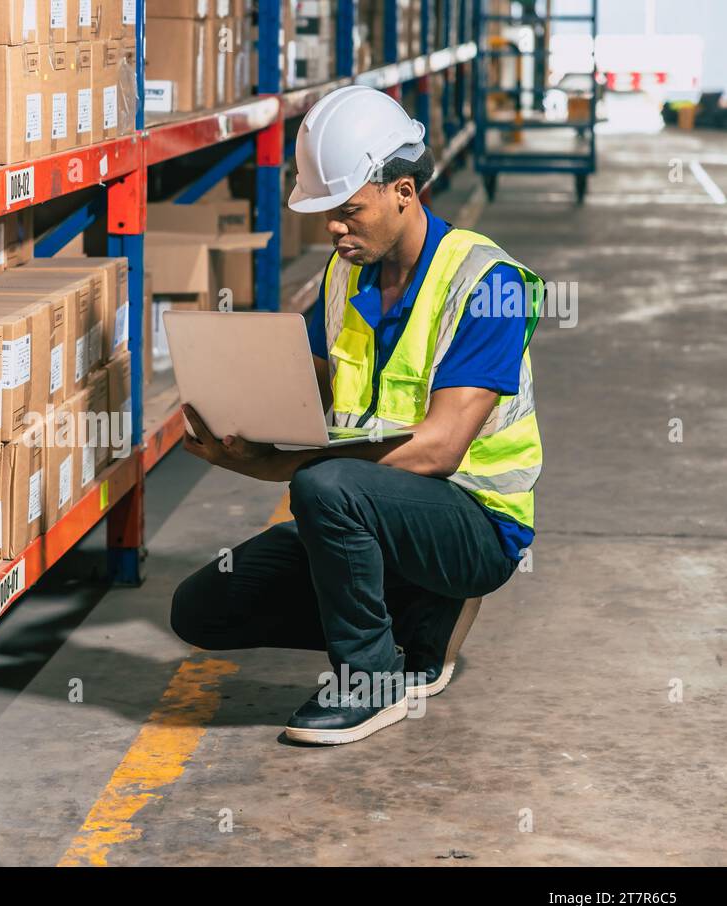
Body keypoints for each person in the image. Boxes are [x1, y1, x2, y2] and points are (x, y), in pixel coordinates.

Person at [169, 85, 544, 745]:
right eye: (324, 217)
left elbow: (439, 451)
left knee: (324, 487)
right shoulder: (348, 274)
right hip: (377, 514)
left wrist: (285, 468)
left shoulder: (487, 284)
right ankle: (419, 616)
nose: (335, 231)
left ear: (404, 191)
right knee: (204, 610)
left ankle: (371, 683)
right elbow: (315, 387)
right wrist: (246, 421)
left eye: (348, 212)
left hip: (473, 522)